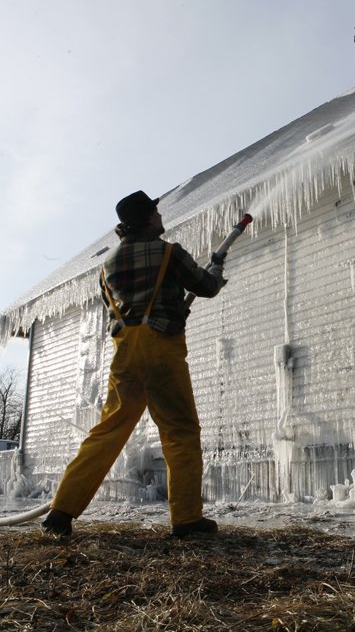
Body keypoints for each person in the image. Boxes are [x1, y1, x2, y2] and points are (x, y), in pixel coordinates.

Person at [42, 190, 226, 538]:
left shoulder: (107, 264)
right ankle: (187, 519)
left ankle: (60, 512)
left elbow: (129, 308)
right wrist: (215, 267)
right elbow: (206, 286)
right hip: (162, 352)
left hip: (125, 353)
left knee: (108, 431)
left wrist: (169, 306)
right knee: (179, 431)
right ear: (147, 218)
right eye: (156, 212)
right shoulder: (168, 252)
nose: (161, 217)